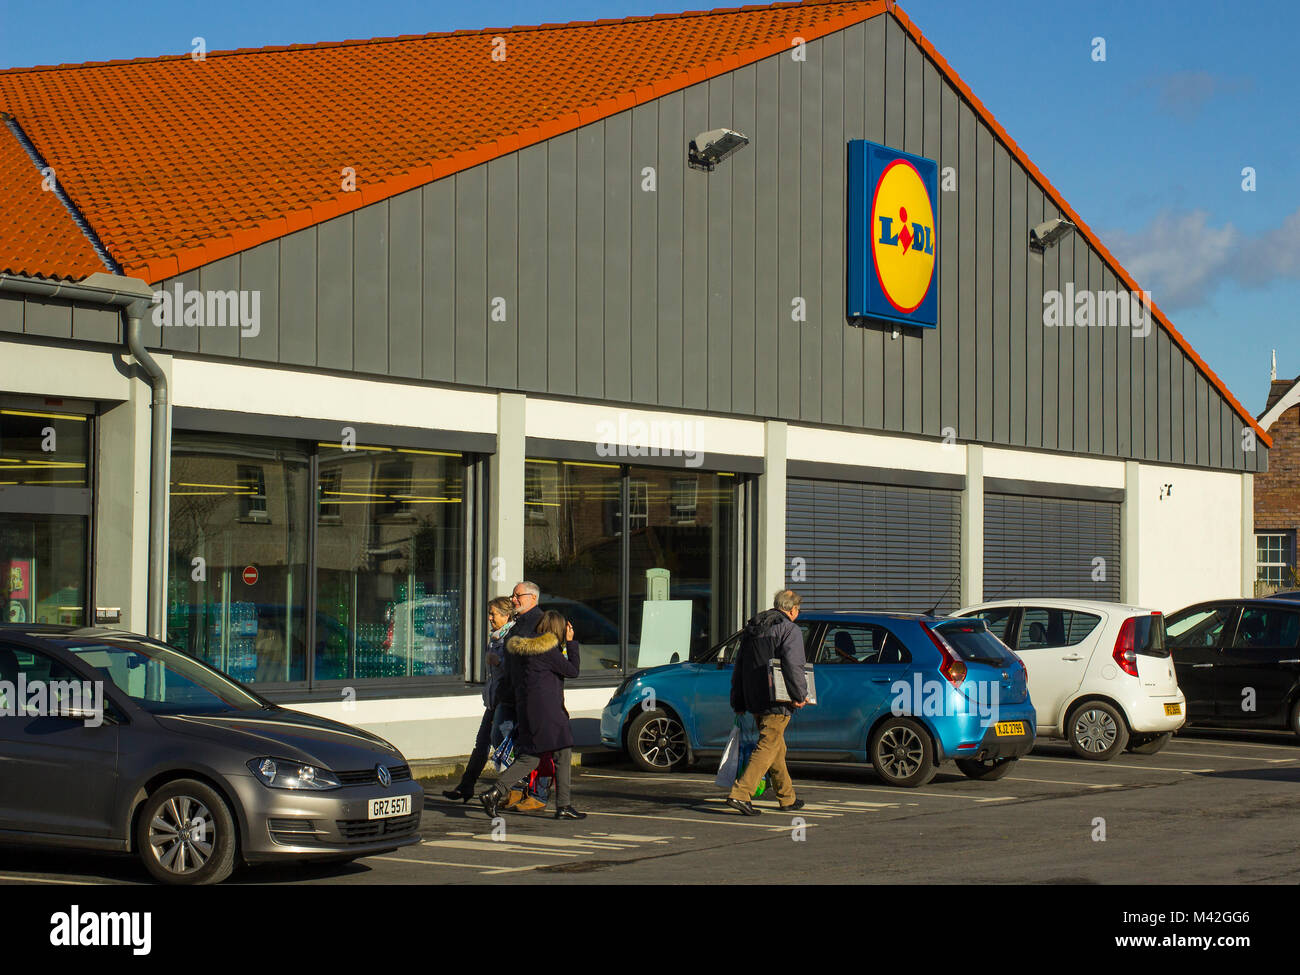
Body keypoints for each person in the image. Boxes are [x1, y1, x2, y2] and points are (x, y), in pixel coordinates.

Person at [478, 610, 586, 820]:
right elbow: (573, 670)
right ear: (558, 629)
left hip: (527, 709)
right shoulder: (547, 649)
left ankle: (494, 793)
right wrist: (571, 643)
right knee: (560, 753)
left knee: (532, 756)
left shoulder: (521, 650)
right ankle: (563, 806)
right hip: (548, 712)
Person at [725, 589, 810, 816]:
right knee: (768, 745)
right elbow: (794, 666)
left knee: (776, 748)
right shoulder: (789, 629)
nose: (797, 614)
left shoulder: (753, 628)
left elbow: (739, 666)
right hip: (777, 698)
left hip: (755, 696)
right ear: (792, 610)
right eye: (797, 610)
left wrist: (739, 699)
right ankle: (741, 793)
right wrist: (800, 696)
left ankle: (787, 797)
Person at [443, 596, 515, 802]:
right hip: (493, 701)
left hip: (505, 702)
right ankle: (466, 786)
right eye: (490, 614)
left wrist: (500, 661)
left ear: (506, 615)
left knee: (503, 746)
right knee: (482, 744)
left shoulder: (511, 638)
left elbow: (515, 670)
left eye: (494, 614)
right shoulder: (495, 638)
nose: (490, 618)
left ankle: (510, 790)